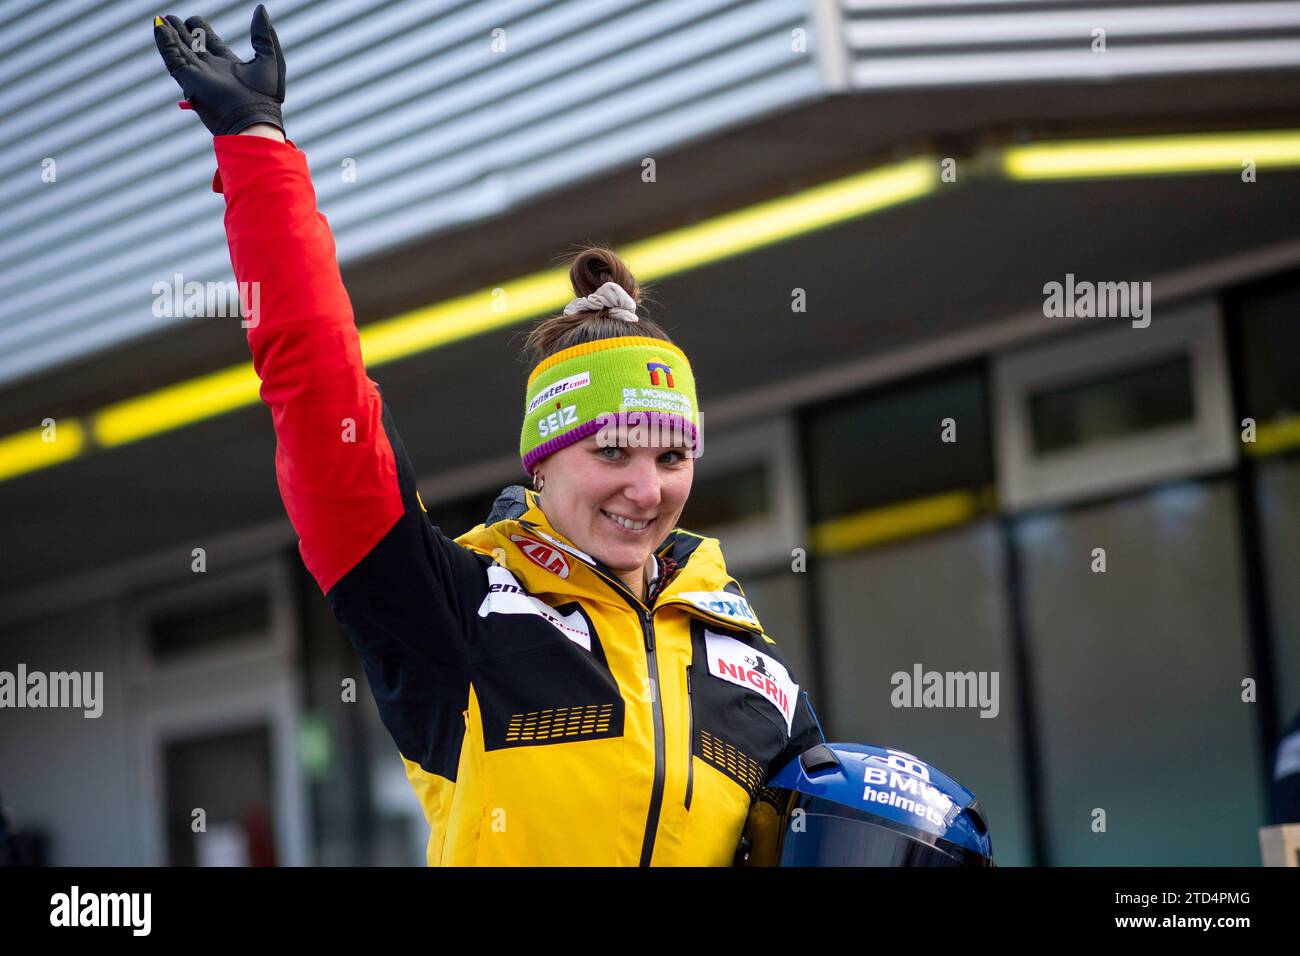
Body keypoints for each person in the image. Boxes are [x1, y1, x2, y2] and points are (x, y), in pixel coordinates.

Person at [154, 6, 825, 866]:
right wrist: (257, 149)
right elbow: (321, 406)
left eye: (672, 455)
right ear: (542, 460)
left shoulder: (751, 671)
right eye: (611, 451)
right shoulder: (461, 618)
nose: (646, 489)